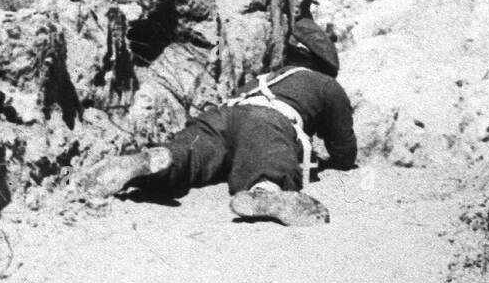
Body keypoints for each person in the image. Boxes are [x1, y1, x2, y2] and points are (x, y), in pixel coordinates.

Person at [78, 18, 356, 227]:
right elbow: (343, 150)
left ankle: (158, 159)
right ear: (324, 66)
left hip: (222, 114)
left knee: (193, 151)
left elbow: (238, 130)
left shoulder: (261, 80)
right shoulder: (325, 84)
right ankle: (266, 192)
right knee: (270, 158)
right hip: (268, 119)